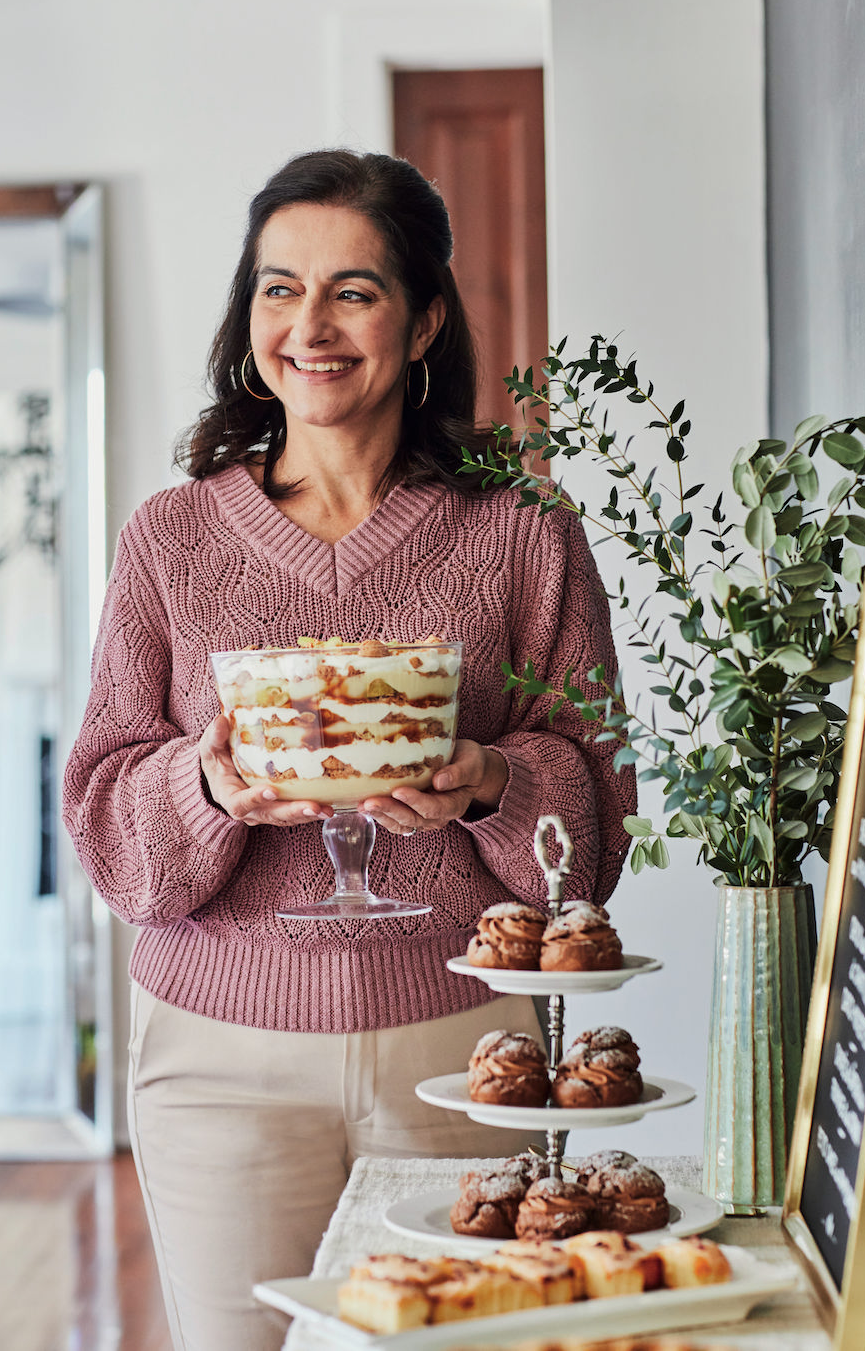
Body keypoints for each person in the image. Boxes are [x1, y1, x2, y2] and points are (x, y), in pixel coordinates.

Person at [62, 148, 636, 1351]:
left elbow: (594, 821)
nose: (309, 327)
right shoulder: (170, 541)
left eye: (354, 292)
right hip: (218, 1066)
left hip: (458, 1051)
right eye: (279, 289)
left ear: (424, 318)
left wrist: (490, 783)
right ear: (247, 317)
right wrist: (207, 782)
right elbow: (111, 823)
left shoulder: (524, 533)